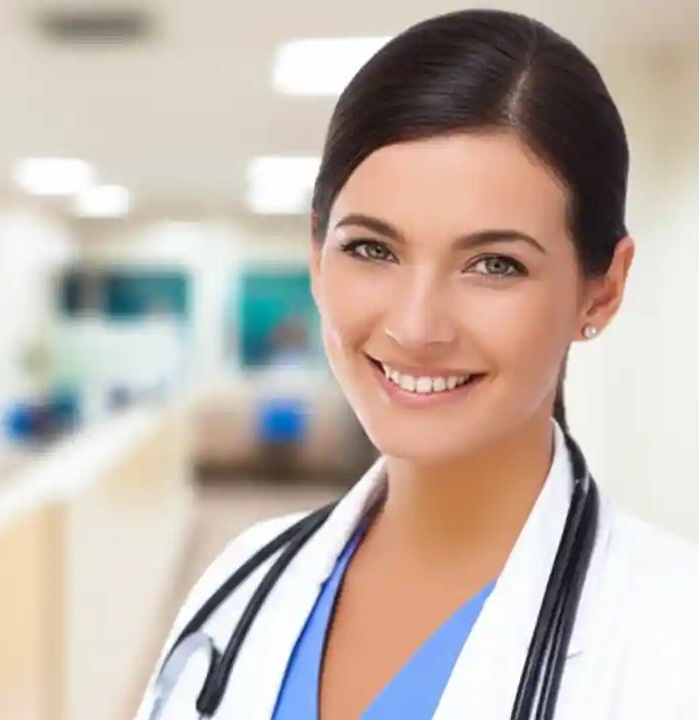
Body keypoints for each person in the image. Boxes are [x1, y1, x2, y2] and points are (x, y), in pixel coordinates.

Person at [136, 9, 699, 720]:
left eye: (495, 264)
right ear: (316, 255)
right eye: (373, 249)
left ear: (604, 289)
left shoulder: (676, 642)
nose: (414, 325)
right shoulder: (240, 581)